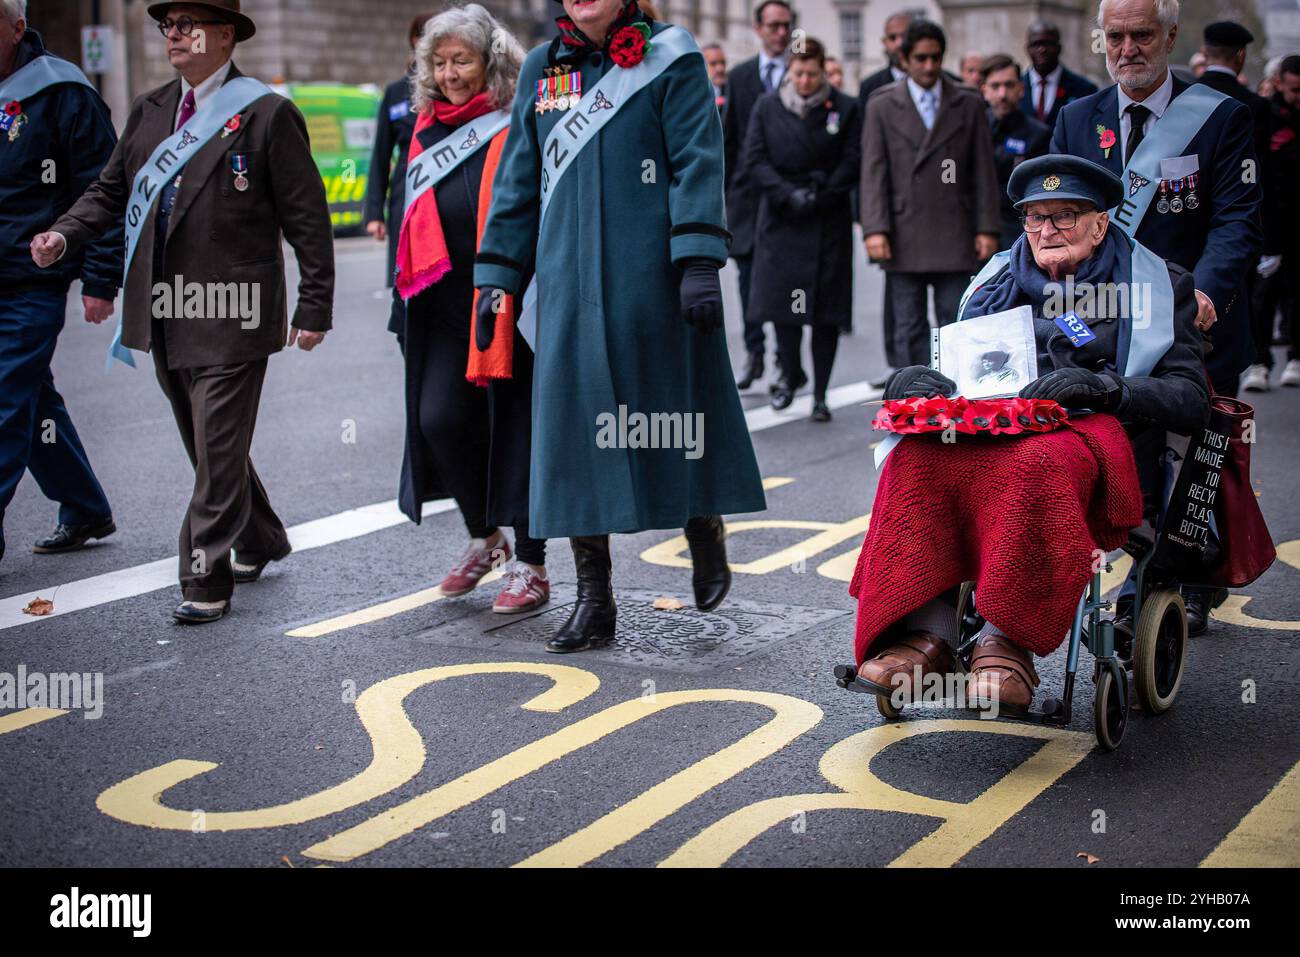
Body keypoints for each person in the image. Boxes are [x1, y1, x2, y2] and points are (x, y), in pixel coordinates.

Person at [850, 156, 1207, 713]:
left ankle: (1004, 640)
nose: (1046, 231)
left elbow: (1191, 399)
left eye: (1065, 217)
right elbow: (959, 367)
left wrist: (1106, 388)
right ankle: (927, 632)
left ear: (1100, 223)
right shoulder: (993, 280)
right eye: (1035, 218)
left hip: (1097, 433)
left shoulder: (1157, 284)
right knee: (918, 454)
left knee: (1034, 461)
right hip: (990, 428)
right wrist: (914, 381)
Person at [473, 0, 767, 653]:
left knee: (667, 419)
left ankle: (701, 521)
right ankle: (594, 600)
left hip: (651, 279)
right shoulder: (542, 71)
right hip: (567, 285)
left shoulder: (672, 54)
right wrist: (497, 278)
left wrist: (696, 258)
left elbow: (696, 157)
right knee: (576, 440)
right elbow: (519, 179)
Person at [32, 0, 334, 624]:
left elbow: (308, 218)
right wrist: (65, 234)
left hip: (238, 311)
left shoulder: (268, 113)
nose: (174, 35)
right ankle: (261, 537)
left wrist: (315, 305)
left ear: (226, 35)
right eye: (168, 25)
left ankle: (204, 577)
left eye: (187, 25)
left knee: (218, 447)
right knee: (208, 446)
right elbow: (110, 191)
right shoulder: (149, 109)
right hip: (166, 307)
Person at [1049, 0, 1262, 636]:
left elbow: (1235, 223)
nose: (1128, 49)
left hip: (1191, 320)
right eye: (1115, 36)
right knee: (1111, 439)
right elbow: (1054, 216)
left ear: (1170, 36)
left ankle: (1186, 578)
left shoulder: (1220, 117)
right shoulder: (1076, 119)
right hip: (1101, 318)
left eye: (1141, 35)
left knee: (1197, 452)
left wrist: (1206, 295)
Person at [391, 4, 548, 613]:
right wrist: (399, 304)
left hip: (507, 303)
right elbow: (406, 217)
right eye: (441, 61)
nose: (451, 73)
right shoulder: (424, 127)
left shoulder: (513, 124)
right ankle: (488, 540)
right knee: (439, 423)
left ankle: (531, 566)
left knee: (516, 434)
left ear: (490, 64)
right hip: (441, 308)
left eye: (463, 60)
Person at [0, 0, 120, 570]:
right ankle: (84, 506)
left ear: (18, 27)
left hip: (32, 279)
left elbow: (102, 190)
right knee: (30, 397)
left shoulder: (64, 91)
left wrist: (100, 277)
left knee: (3, 402)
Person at [860, 19, 1000, 368]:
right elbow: (873, 172)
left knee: (954, 319)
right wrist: (874, 229)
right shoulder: (881, 105)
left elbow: (983, 170)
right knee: (908, 324)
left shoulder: (967, 103)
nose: (929, 66)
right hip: (903, 230)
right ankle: (916, 399)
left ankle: (956, 393)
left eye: (936, 58)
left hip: (956, 230)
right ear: (904, 59)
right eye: (921, 58)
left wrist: (987, 228)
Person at [740, 36, 861, 420]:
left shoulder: (845, 107)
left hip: (827, 218)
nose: (806, 81)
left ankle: (821, 394)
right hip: (781, 219)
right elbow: (754, 159)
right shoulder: (767, 106)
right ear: (789, 72)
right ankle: (789, 375)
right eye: (799, 74)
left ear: (823, 69)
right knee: (785, 311)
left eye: (812, 73)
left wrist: (823, 192)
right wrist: (786, 194)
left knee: (825, 313)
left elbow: (853, 157)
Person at [1193, 22, 1274, 394]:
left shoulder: (1187, 100)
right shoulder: (1253, 106)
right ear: (1240, 56)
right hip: (1235, 235)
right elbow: (1261, 180)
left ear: (1204, 52)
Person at [723, 0, 794, 391]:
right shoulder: (741, 77)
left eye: (786, 26)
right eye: (773, 26)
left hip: (785, 200)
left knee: (784, 286)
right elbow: (729, 140)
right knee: (749, 284)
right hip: (749, 202)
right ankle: (754, 355)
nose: (780, 33)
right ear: (758, 28)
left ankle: (785, 360)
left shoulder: (799, 75)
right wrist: (730, 195)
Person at [362, 10, 432, 298]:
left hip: (441, 180)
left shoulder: (451, 85)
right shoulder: (394, 92)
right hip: (406, 187)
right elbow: (380, 155)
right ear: (414, 40)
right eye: (424, 35)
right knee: (403, 282)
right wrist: (375, 213)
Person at [1256, 55, 1300, 387]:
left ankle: (1296, 357)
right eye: (1294, 89)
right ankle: (1260, 362)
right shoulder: (1264, 114)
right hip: (1272, 219)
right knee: (1264, 293)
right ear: (1280, 83)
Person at [980, 53, 1052, 250]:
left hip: (1017, 229)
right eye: (995, 86)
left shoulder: (1038, 134)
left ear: (1021, 89)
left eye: (1009, 85)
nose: (1002, 94)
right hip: (976, 231)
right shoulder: (972, 128)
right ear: (984, 90)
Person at [1021, 20, 1098, 129]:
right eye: (1036, 44)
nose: (1042, 49)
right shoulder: (1016, 87)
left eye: (1048, 44)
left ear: (1059, 48)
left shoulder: (1084, 89)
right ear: (1027, 49)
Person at [702, 41, 727, 116]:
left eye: (723, 62)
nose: (720, 68)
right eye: (713, 63)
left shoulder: (732, 90)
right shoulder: (696, 94)